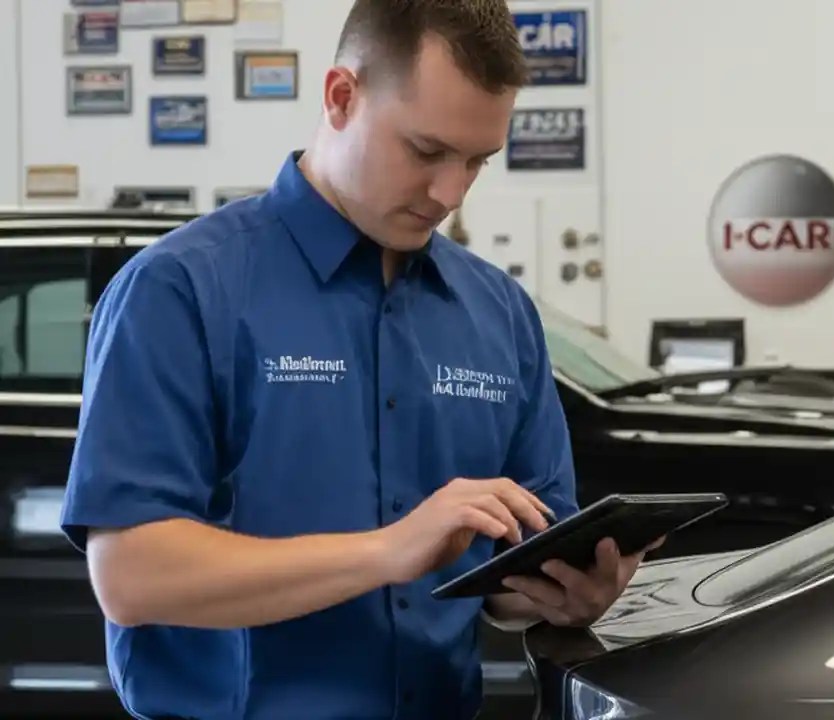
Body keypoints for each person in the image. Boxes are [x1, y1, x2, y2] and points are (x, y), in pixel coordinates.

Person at [59, 1, 655, 718]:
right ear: (341, 97)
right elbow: (132, 577)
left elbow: (509, 577)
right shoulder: (179, 290)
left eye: (477, 162)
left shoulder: (499, 312)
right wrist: (387, 551)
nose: (450, 193)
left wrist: (562, 594)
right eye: (427, 151)